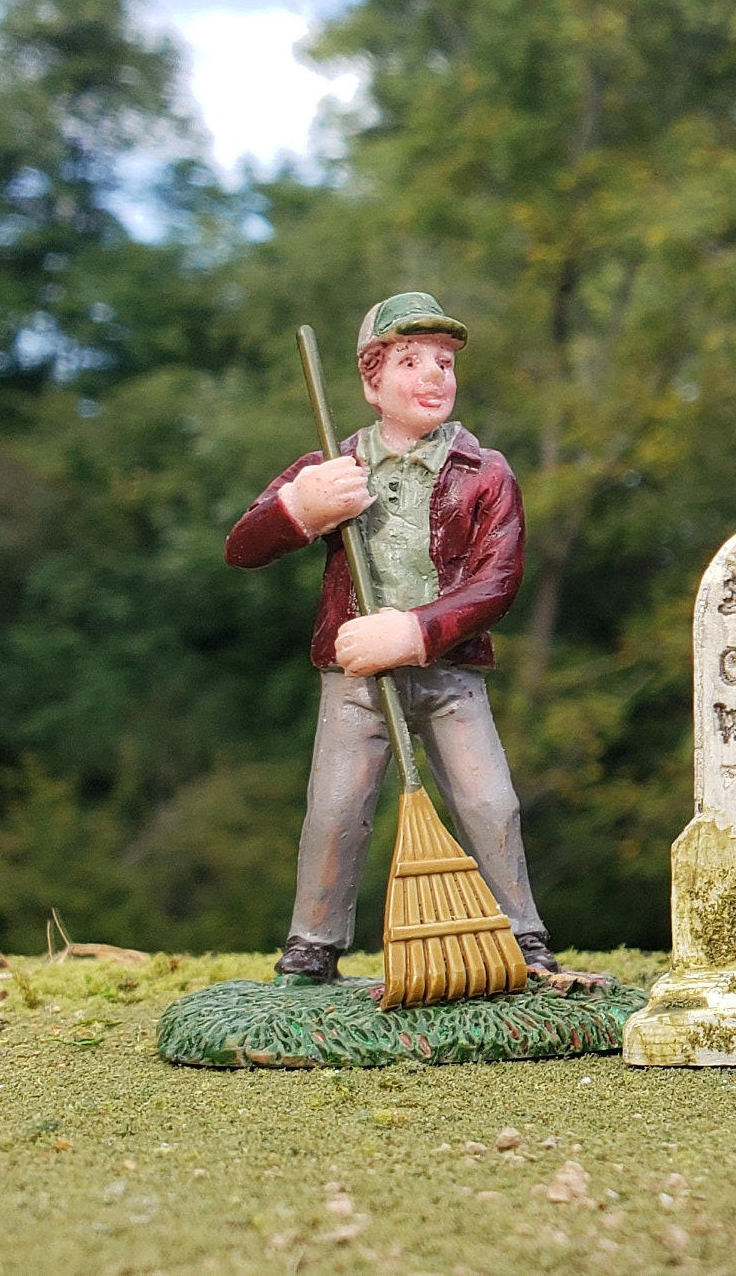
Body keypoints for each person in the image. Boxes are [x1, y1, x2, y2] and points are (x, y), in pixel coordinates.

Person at [225, 292, 563, 983]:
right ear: (372, 383)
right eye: (410, 361)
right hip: (356, 677)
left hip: (450, 673)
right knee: (336, 806)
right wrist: (301, 508)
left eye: (444, 362)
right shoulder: (333, 464)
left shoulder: (485, 473)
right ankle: (313, 943)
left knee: (489, 802)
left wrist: (415, 631)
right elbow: (242, 547)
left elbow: (497, 582)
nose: (434, 375)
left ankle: (523, 935)